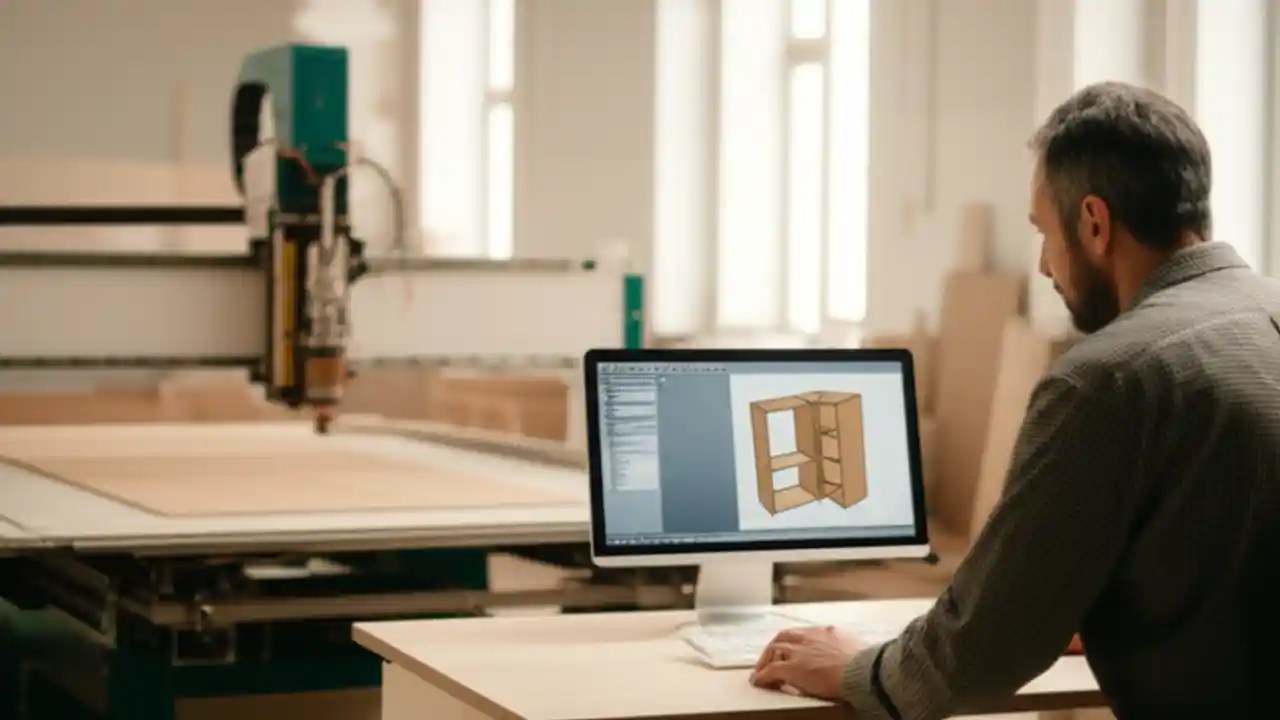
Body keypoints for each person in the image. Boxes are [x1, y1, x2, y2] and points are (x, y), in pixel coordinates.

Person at [749, 81, 1280, 718]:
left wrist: (859, 668)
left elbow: (971, 660)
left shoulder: (1107, 380)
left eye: (1043, 232)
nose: (1042, 267)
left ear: (1094, 223)